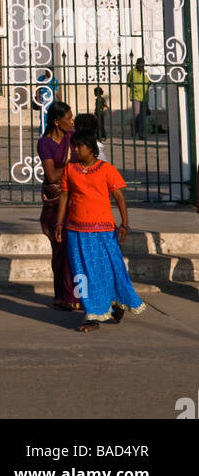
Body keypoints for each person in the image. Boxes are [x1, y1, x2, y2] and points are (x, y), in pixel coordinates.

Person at [56, 128, 145, 332]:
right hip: (76, 230)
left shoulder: (107, 169)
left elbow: (119, 197)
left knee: (110, 269)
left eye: (79, 146)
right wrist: (59, 224)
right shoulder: (70, 170)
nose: (76, 150)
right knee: (82, 274)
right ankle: (91, 316)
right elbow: (64, 197)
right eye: (74, 146)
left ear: (91, 148)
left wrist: (125, 223)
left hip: (103, 230)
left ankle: (117, 301)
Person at [36, 100, 79, 311]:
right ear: (56, 121)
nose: (71, 121)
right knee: (60, 248)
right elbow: (51, 175)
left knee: (74, 249)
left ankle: (75, 295)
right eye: (68, 118)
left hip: (75, 199)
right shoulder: (45, 143)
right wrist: (73, 171)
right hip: (56, 202)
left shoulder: (73, 139)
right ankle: (61, 295)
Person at [126, 58, 150, 139]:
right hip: (135, 95)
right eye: (139, 64)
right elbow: (128, 83)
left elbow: (149, 83)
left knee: (142, 116)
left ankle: (141, 134)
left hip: (144, 96)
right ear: (136, 64)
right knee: (137, 114)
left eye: (142, 64)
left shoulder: (147, 72)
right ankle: (134, 129)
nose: (141, 65)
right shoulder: (132, 72)